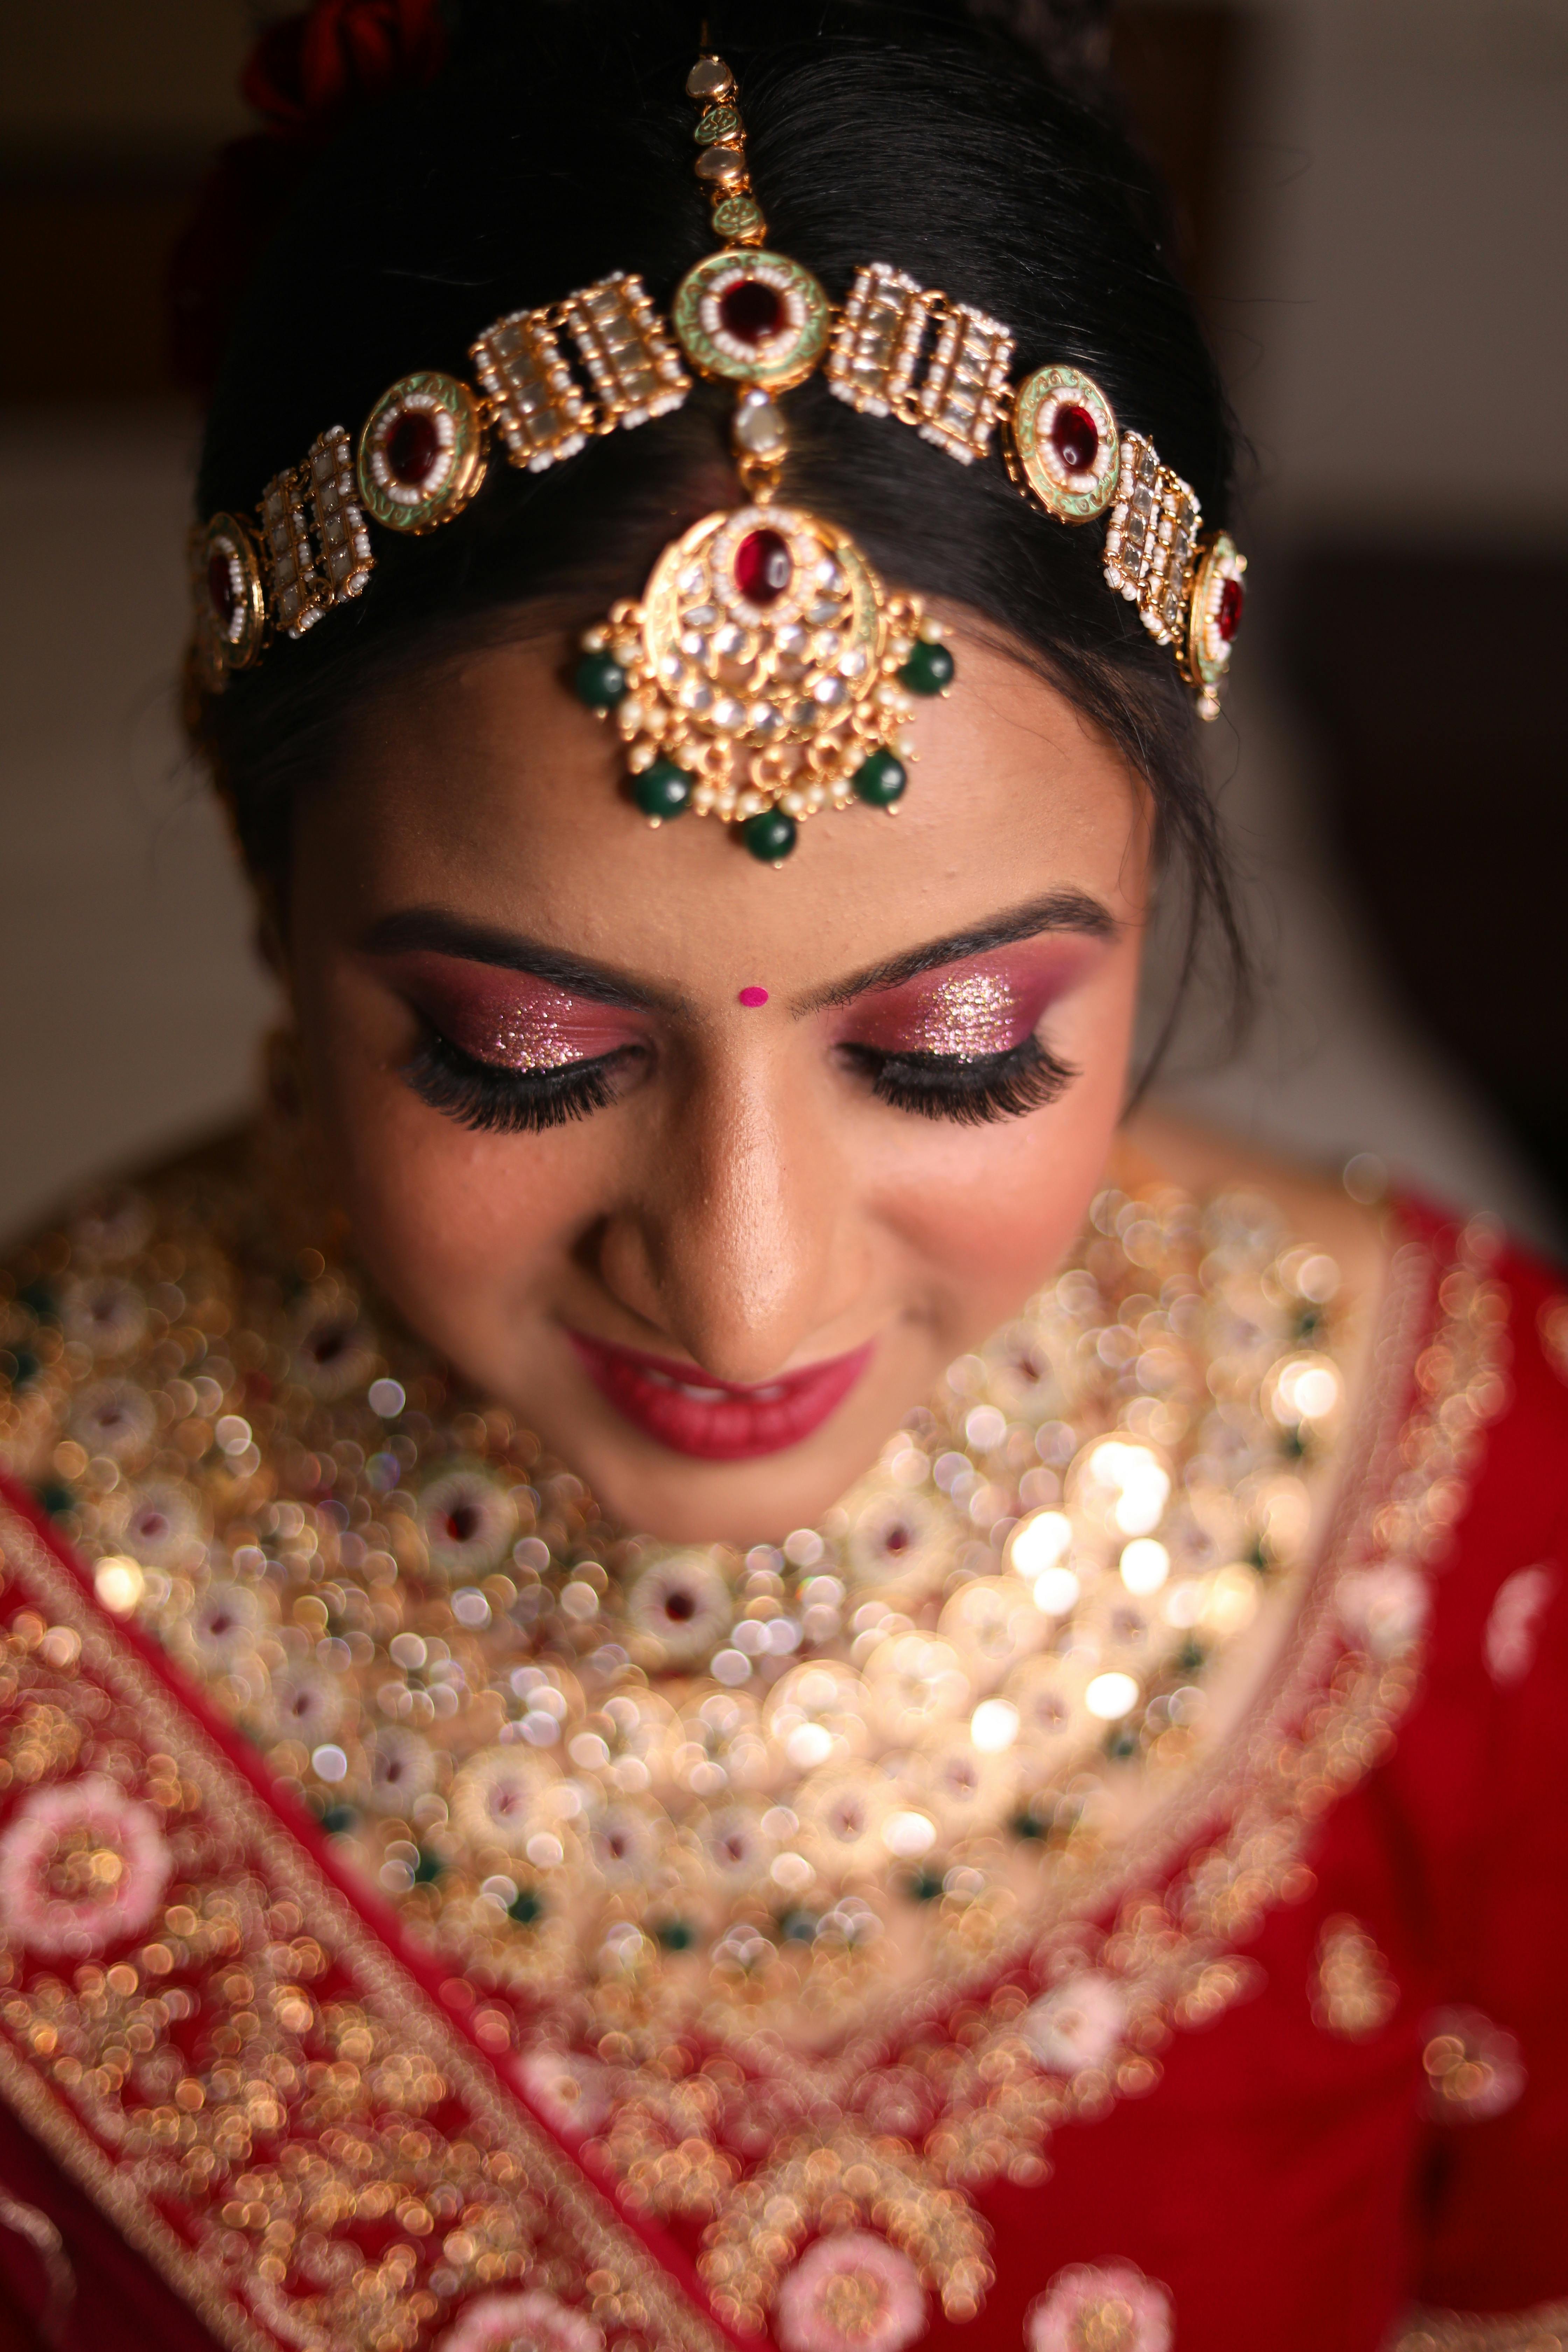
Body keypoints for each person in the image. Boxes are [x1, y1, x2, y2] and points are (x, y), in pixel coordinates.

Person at [0, 4, 1564, 2348]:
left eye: (953, 1051)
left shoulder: (1459, 1511)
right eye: (523, 1051)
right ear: (270, 890)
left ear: (1149, 899)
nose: (744, 1291)